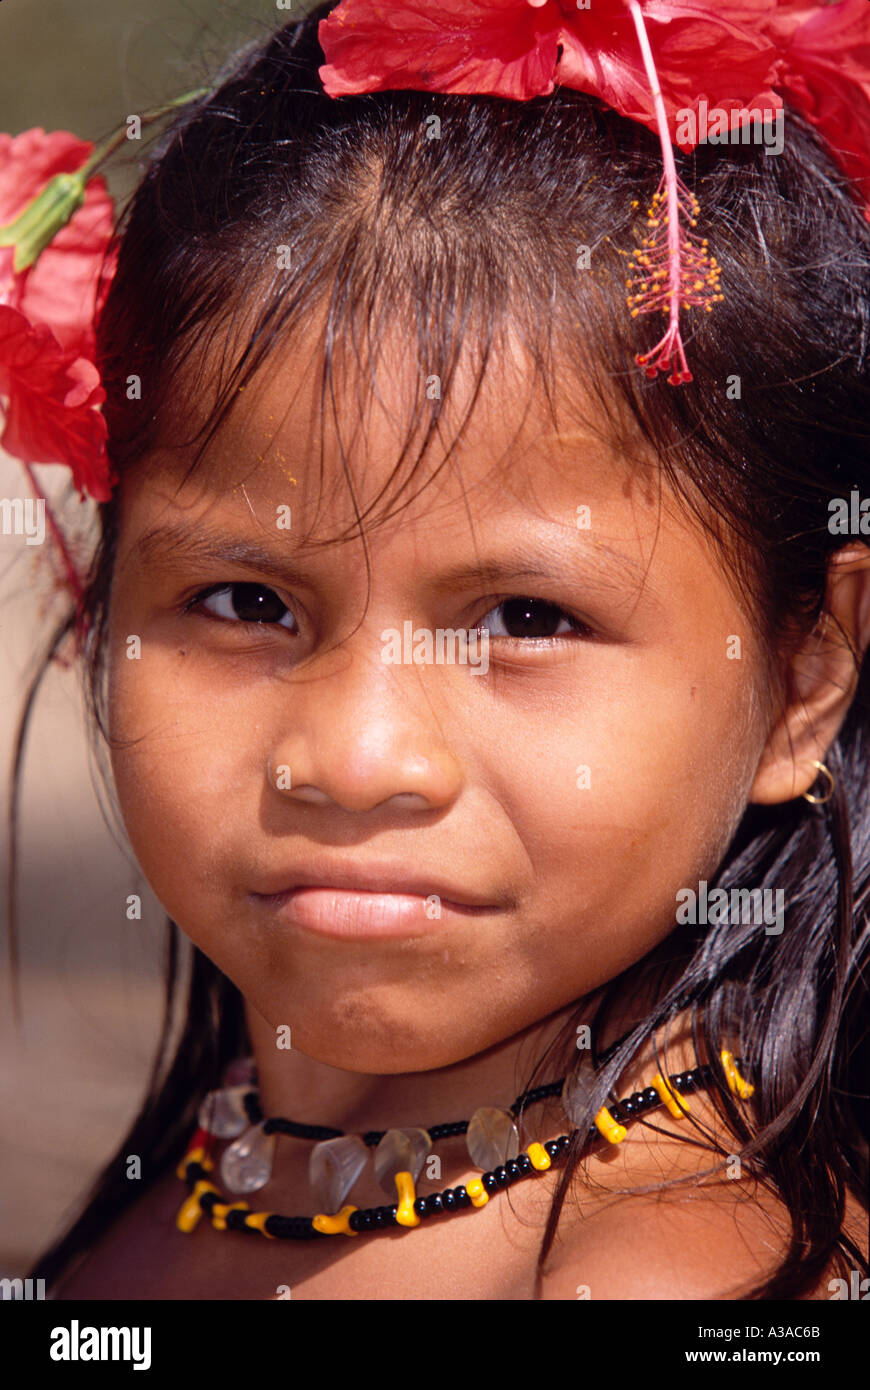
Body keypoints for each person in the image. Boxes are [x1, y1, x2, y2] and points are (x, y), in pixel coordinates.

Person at [13, 0, 870, 1299]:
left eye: (525, 619)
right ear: (105, 598)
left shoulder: (676, 1280)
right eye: (247, 602)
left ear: (798, 680)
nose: (356, 758)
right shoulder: (202, 1206)